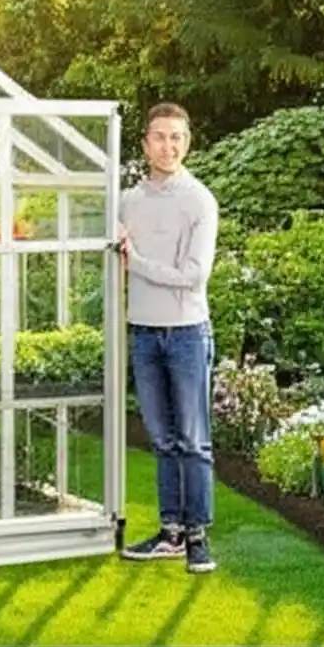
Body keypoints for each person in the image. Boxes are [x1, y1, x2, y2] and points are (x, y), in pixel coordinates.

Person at [117, 102, 219, 574]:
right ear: (145, 145)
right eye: (160, 137)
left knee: (193, 439)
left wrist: (134, 262)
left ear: (188, 142)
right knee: (162, 440)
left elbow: (193, 277)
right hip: (142, 331)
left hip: (186, 335)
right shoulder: (127, 202)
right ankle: (170, 532)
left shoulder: (199, 200)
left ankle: (198, 536)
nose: (168, 145)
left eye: (177, 137)